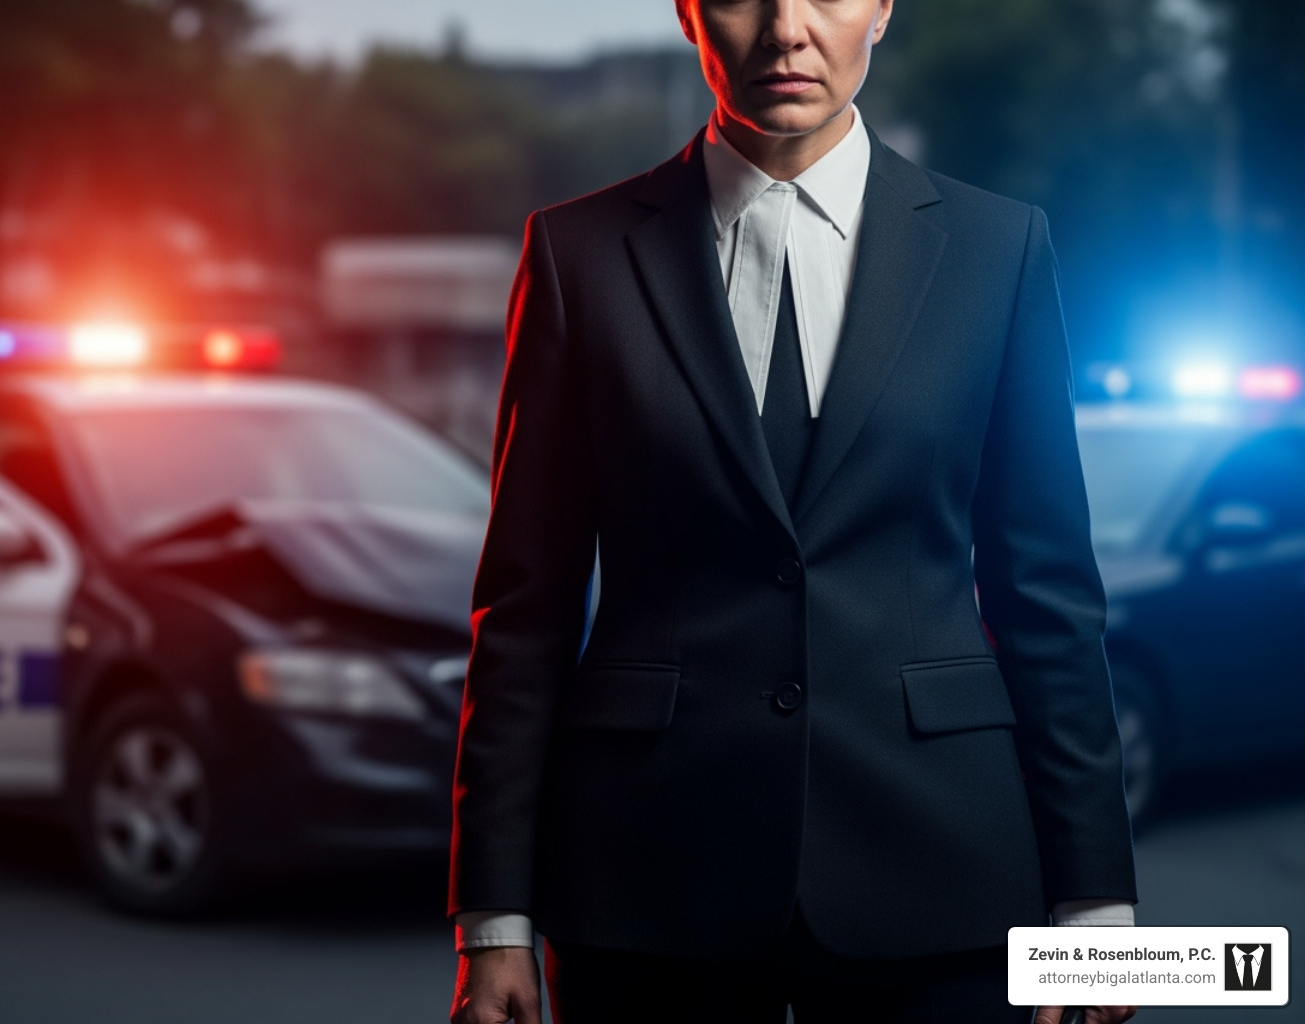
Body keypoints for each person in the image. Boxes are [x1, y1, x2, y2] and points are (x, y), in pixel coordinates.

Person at [448, 2, 1139, 1021]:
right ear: (689, 14)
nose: (786, 31)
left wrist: (1095, 891)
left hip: (944, 867)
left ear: (884, 8)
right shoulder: (577, 256)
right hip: (651, 880)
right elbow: (524, 611)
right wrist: (493, 918)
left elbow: (1048, 599)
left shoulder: (999, 250)